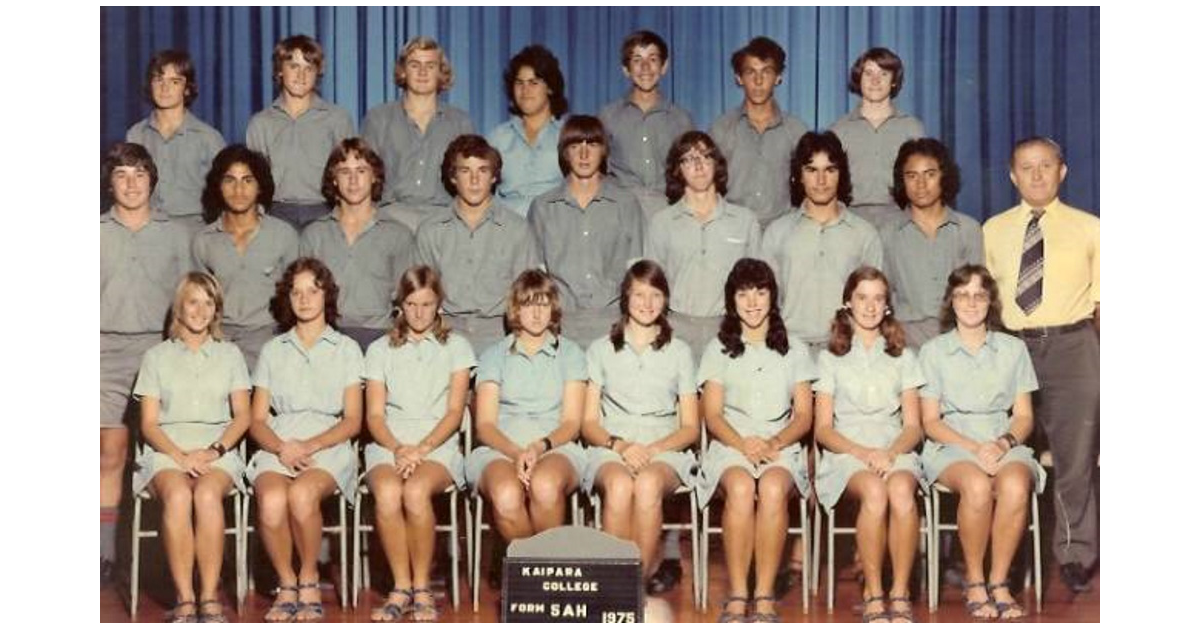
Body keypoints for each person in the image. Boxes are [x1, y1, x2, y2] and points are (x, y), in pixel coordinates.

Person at [982, 136, 1099, 594]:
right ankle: (1005, 559)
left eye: (1045, 165)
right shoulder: (992, 230)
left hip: (1073, 345)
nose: (1036, 175)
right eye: (1026, 167)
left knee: (1074, 457)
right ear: (1012, 176)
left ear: (1062, 171)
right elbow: (982, 303)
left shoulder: (1091, 228)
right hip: (1014, 347)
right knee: (1005, 451)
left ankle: (1074, 553)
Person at [918, 264, 1045, 620]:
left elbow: (1024, 416)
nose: (971, 303)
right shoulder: (933, 351)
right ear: (951, 301)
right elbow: (930, 422)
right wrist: (976, 449)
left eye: (979, 295)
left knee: (1016, 484)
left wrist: (1002, 444)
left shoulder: (1013, 349)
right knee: (975, 485)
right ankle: (974, 581)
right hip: (952, 444)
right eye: (962, 295)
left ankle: (999, 582)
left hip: (1003, 440)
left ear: (991, 301)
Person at [696, 258, 816, 623]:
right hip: (731, 445)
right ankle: (737, 594)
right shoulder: (718, 348)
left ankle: (764, 595)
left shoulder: (795, 349)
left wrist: (774, 442)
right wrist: (743, 444)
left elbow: (804, 415)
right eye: (743, 293)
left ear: (772, 297)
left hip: (780, 446)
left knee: (774, 488)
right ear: (731, 300)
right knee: (741, 487)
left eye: (760, 293)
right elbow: (712, 415)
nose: (752, 302)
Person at [247, 257, 363, 622]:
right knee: (271, 500)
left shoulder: (346, 349)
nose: (305, 299)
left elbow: (353, 420)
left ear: (327, 295)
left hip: (327, 445)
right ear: (287, 298)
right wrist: (281, 448)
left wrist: (310, 445)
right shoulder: (273, 350)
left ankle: (309, 576)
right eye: (296, 292)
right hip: (279, 443)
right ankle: (287, 583)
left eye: (313, 291)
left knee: (301, 495)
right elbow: (257, 420)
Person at [132, 272, 251, 622]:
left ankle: (209, 597)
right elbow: (149, 424)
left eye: (208, 303)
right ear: (179, 308)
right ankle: (185, 598)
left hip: (217, 451)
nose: (200, 310)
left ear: (217, 310)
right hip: (167, 451)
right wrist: (179, 457)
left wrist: (214, 451)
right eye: (193, 302)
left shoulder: (230, 354)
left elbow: (243, 416)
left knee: (207, 495)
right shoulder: (156, 357)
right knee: (179, 495)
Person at [100, 142, 193, 585]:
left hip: (160, 352)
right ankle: (103, 557)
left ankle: (166, 562)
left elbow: (190, 299)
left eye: (139, 174)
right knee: (110, 453)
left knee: (166, 454)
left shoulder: (176, 234)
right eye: (121, 175)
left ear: (152, 181)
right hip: (104, 353)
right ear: (109, 183)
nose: (131, 184)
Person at [363, 266, 475, 622]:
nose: (419, 313)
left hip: (437, 445)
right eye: (411, 304)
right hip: (389, 444)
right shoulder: (380, 349)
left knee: (415, 492)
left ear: (439, 305)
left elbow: (455, 412)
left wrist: (422, 449)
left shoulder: (457, 347)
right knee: (388, 492)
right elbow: (374, 416)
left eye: (427, 304)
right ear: (400, 305)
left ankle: (423, 587)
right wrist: (399, 448)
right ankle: (401, 587)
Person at [813, 266, 924, 623]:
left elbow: (913, 427)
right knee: (875, 492)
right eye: (862, 298)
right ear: (848, 302)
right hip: (847, 453)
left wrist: (889, 453)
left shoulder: (903, 356)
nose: (870, 306)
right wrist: (864, 454)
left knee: (902, 491)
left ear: (887, 306)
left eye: (878, 299)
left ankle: (900, 593)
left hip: (894, 449)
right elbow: (823, 429)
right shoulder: (829, 357)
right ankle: (873, 591)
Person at [579, 260, 699, 591]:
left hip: (664, 450)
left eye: (656, 295)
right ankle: (613, 590)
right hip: (612, 446)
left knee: (647, 484)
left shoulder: (680, 351)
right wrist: (620, 446)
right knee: (619, 485)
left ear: (666, 300)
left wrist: (654, 449)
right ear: (625, 298)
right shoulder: (600, 349)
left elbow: (690, 427)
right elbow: (588, 423)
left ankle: (634, 589)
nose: (647, 303)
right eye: (639, 295)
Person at [465, 270, 588, 582]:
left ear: (553, 309)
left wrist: (538, 447)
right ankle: (539, 578)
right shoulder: (493, 356)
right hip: (500, 448)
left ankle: (538, 580)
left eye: (543, 304)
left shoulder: (571, 353)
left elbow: (572, 423)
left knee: (545, 486)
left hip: (555, 446)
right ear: (515, 310)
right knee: (506, 494)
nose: (536, 313)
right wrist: (517, 452)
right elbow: (486, 425)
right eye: (528, 304)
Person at [415, 134, 540, 353]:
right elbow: (421, 296)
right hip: (446, 335)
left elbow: (528, 297)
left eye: (482, 170)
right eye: (465, 171)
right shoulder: (431, 230)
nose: (474, 180)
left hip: (502, 335)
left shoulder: (517, 229)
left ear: (494, 177)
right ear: (453, 177)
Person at [528, 114, 645, 346]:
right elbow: (535, 276)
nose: (584, 154)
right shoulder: (543, 207)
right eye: (575, 146)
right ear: (564, 152)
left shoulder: (626, 204)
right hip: (559, 325)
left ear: (604, 151)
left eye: (592, 144)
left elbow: (638, 272)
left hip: (614, 323)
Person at [763, 131, 882, 351]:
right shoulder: (777, 233)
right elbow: (766, 302)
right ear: (799, 175)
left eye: (830, 169)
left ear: (841, 174)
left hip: (846, 350)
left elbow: (875, 302)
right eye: (811, 170)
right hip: (789, 349)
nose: (821, 180)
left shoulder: (865, 234)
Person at [645, 131, 761, 356]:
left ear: (717, 164)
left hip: (730, 328)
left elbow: (757, 285)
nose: (698, 166)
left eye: (706, 157)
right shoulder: (661, 223)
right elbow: (651, 286)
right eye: (689, 159)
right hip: (676, 328)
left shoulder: (745, 220)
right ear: (678, 169)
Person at [300, 138, 414, 351]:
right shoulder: (314, 235)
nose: (353, 180)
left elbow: (408, 299)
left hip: (381, 336)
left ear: (374, 176)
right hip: (327, 338)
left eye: (361, 171)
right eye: (344, 172)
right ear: (334, 179)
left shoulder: (398, 234)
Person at [194, 144, 299, 372]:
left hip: (270, 343)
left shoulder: (283, 235)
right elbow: (195, 305)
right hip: (219, 343)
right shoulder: (204, 240)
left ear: (260, 186)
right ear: (218, 186)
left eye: (248, 180)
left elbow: (297, 299)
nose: (238, 189)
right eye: (229, 180)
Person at [361, 36, 474, 232]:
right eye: (415, 65)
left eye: (430, 65)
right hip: (390, 218)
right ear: (403, 71)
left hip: (444, 220)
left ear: (441, 73)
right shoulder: (378, 119)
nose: (422, 72)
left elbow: (470, 179)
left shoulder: (460, 122)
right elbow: (363, 176)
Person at [878, 138, 982, 348]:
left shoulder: (968, 229)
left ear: (944, 176)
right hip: (906, 343)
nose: (921, 184)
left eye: (930, 174)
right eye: (912, 176)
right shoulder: (887, 234)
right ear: (902, 181)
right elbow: (883, 296)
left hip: (959, 339)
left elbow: (979, 294)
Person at [246, 35, 355, 231]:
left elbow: (348, 172)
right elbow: (254, 180)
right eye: (294, 66)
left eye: (309, 68)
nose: (301, 75)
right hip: (276, 213)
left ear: (318, 73)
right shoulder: (261, 123)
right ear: (280, 70)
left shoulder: (337, 118)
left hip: (325, 211)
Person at [710, 36, 809, 228]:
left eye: (767, 72)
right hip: (733, 229)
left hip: (782, 230)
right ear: (739, 78)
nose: (758, 80)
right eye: (750, 72)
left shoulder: (796, 130)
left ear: (778, 77)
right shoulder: (721, 129)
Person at [126, 49, 226, 234]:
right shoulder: (136, 135)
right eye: (158, 80)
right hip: (147, 230)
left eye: (175, 81)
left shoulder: (209, 138)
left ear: (187, 89)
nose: (165, 88)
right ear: (150, 85)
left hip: (194, 232)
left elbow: (224, 195)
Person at [598, 29, 694, 218]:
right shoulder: (608, 116)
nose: (645, 67)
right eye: (637, 60)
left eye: (652, 59)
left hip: (668, 213)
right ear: (626, 70)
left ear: (664, 66)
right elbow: (597, 170)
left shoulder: (681, 119)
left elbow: (689, 174)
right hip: (620, 213)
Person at [830, 47, 926, 229]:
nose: (875, 80)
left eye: (883, 74)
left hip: (901, 220)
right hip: (850, 221)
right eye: (868, 73)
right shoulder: (839, 130)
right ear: (859, 79)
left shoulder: (912, 128)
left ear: (894, 81)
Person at [486, 45, 568, 218]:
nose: (525, 90)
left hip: (555, 225)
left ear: (550, 88)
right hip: (508, 227)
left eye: (533, 82)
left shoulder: (568, 136)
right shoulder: (497, 138)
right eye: (519, 83)